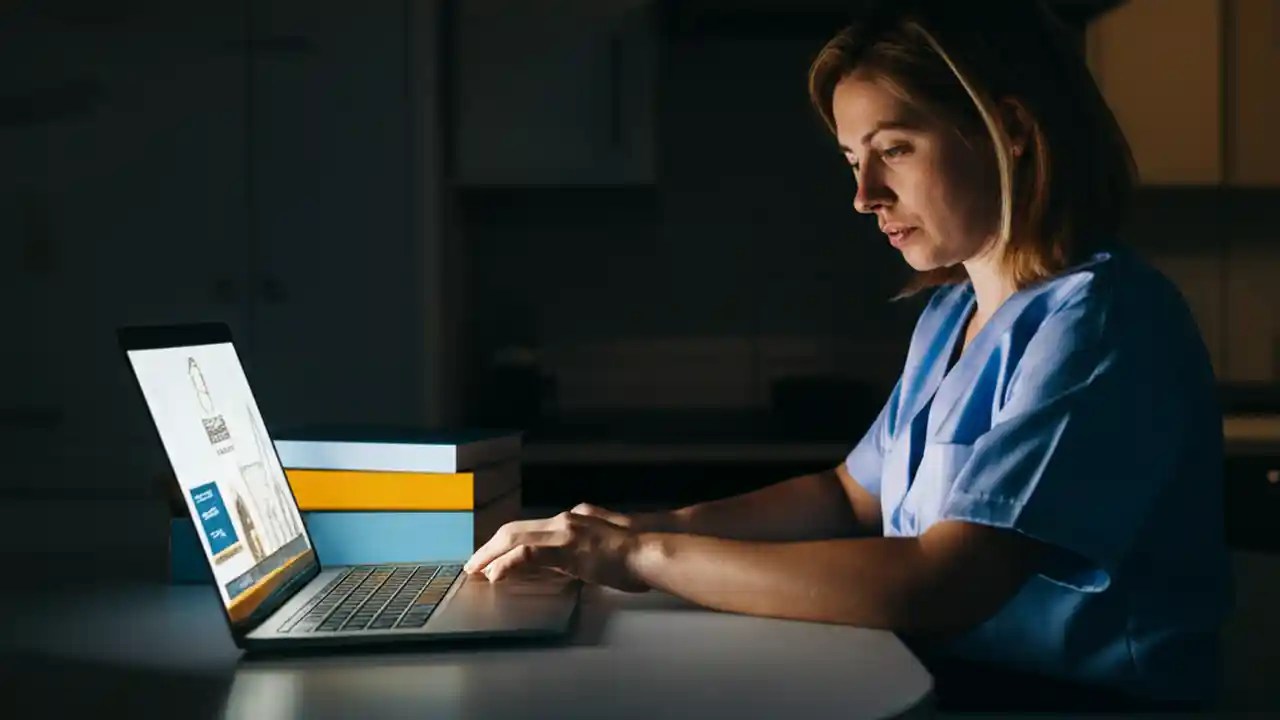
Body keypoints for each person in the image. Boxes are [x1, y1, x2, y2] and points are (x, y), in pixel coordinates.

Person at [463, 0, 1234, 712]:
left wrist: (644, 557)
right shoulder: (951, 314)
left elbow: (942, 584)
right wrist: (647, 524)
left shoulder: (1098, 323)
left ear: (1011, 132)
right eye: (850, 159)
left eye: (893, 149)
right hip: (960, 682)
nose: (864, 194)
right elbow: (846, 497)